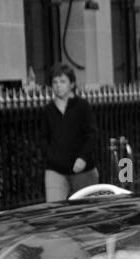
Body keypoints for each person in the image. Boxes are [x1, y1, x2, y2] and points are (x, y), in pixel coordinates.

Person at [41, 63, 99, 201]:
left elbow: (92, 134)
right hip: (55, 170)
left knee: (86, 212)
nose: (58, 85)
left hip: (83, 170)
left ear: (71, 84)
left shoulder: (82, 106)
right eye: (54, 82)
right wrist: (52, 157)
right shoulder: (47, 110)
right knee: (54, 210)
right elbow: (43, 138)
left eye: (62, 81)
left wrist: (83, 158)